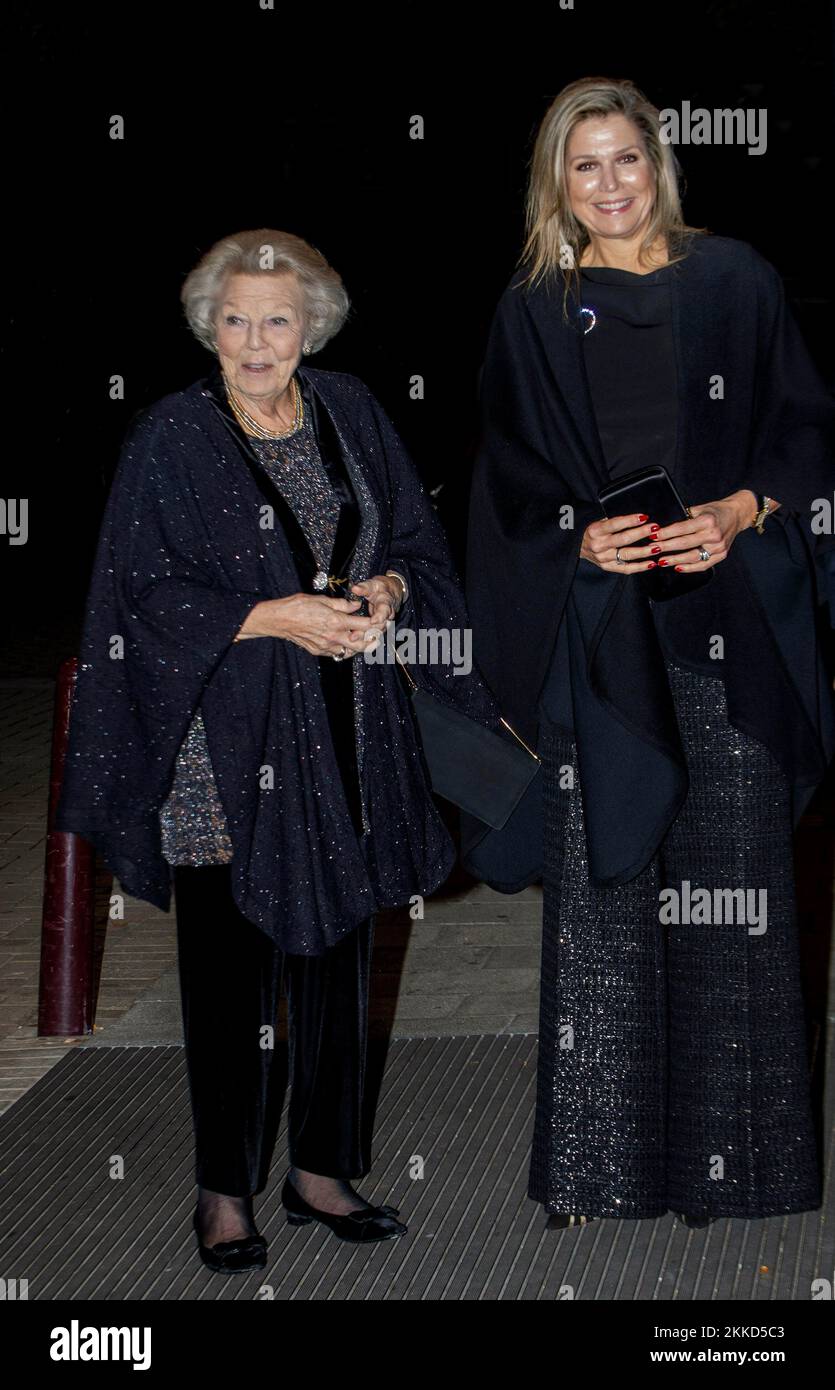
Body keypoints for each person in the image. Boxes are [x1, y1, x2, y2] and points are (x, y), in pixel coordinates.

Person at [56, 228, 500, 1273]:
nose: (256, 340)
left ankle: (321, 1168)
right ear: (208, 326)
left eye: (277, 319)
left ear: (312, 328)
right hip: (222, 745)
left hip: (351, 732)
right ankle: (223, 1191)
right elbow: (140, 596)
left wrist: (388, 589)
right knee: (229, 975)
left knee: (342, 957)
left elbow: (411, 543)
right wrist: (272, 617)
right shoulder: (171, 436)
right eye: (236, 320)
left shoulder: (349, 409)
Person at [463, 78, 835, 1229]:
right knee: (606, 895)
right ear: (555, 185)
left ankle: (729, 1164)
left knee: (729, 893)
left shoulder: (736, 279)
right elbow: (506, 476)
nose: (610, 184)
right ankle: (595, 1165)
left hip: (731, 622)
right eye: (585, 167)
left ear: (658, 164)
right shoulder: (534, 307)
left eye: (627, 158)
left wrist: (738, 508)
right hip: (601, 630)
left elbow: (806, 426)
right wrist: (577, 536)